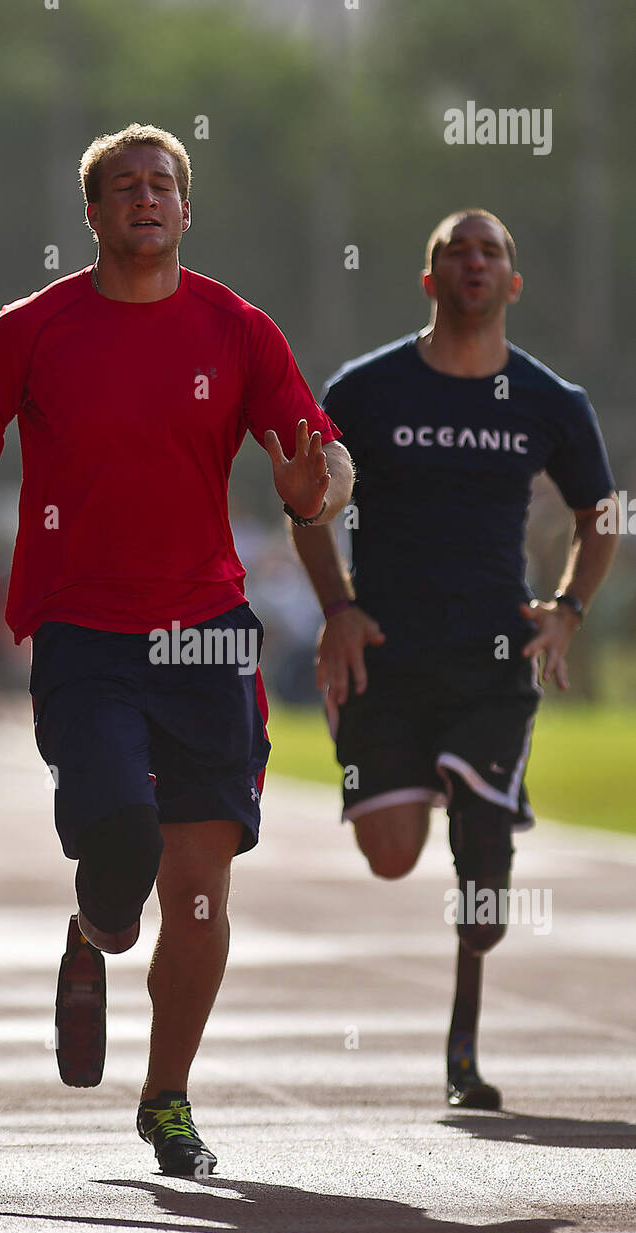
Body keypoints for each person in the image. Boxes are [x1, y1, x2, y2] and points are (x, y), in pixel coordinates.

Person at [0, 123, 352, 1174]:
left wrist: (314, 486)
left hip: (207, 635)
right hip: (84, 631)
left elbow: (322, 468)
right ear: (91, 216)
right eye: (123, 186)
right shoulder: (33, 331)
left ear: (186, 211)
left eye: (163, 184)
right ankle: (91, 938)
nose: (146, 197)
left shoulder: (238, 331)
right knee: (123, 848)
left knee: (198, 889)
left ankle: (168, 1099)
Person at [292, 209, 617, 1109]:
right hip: (385, 654)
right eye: (454, 251)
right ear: (429, 280)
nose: (473, 261)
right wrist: (337, 612)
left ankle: (464, 1029)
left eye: (491, 251)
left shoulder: (551, 401)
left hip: (491, 658)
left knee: (479, 880)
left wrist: (567, 610)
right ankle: (442, 784)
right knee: (391, 857)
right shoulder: (367, 389)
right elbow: (305, 504)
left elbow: (602, 516)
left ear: (511, 282)